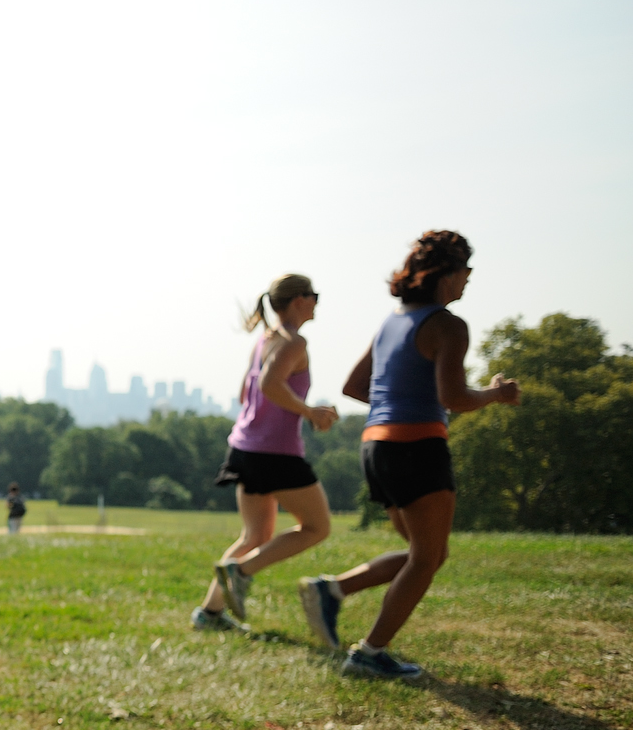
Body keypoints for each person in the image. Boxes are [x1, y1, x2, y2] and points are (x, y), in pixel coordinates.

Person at [297, 232, 518, 678]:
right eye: (465, 271)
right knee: (425, 558)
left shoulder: (392, 321)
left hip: (375, 447)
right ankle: (370, 653)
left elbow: (354, 387)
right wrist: (496, 395)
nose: (469, 280)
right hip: (417, 445)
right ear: (445, 274)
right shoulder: (448, 325)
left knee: (428, 553)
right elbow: (452, 396)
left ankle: (332, 591)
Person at [198, 274, 339, 631]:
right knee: (317, 527)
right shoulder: (294, 342)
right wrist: (310, 412)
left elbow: (245, 394)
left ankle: (209, 614)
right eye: (314, 295)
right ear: (297, 301)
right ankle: (241, 571)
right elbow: (269, 385)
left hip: (244, 448)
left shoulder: (265, 340)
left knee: (255, 536)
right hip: (276, 454)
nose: (317, 302)